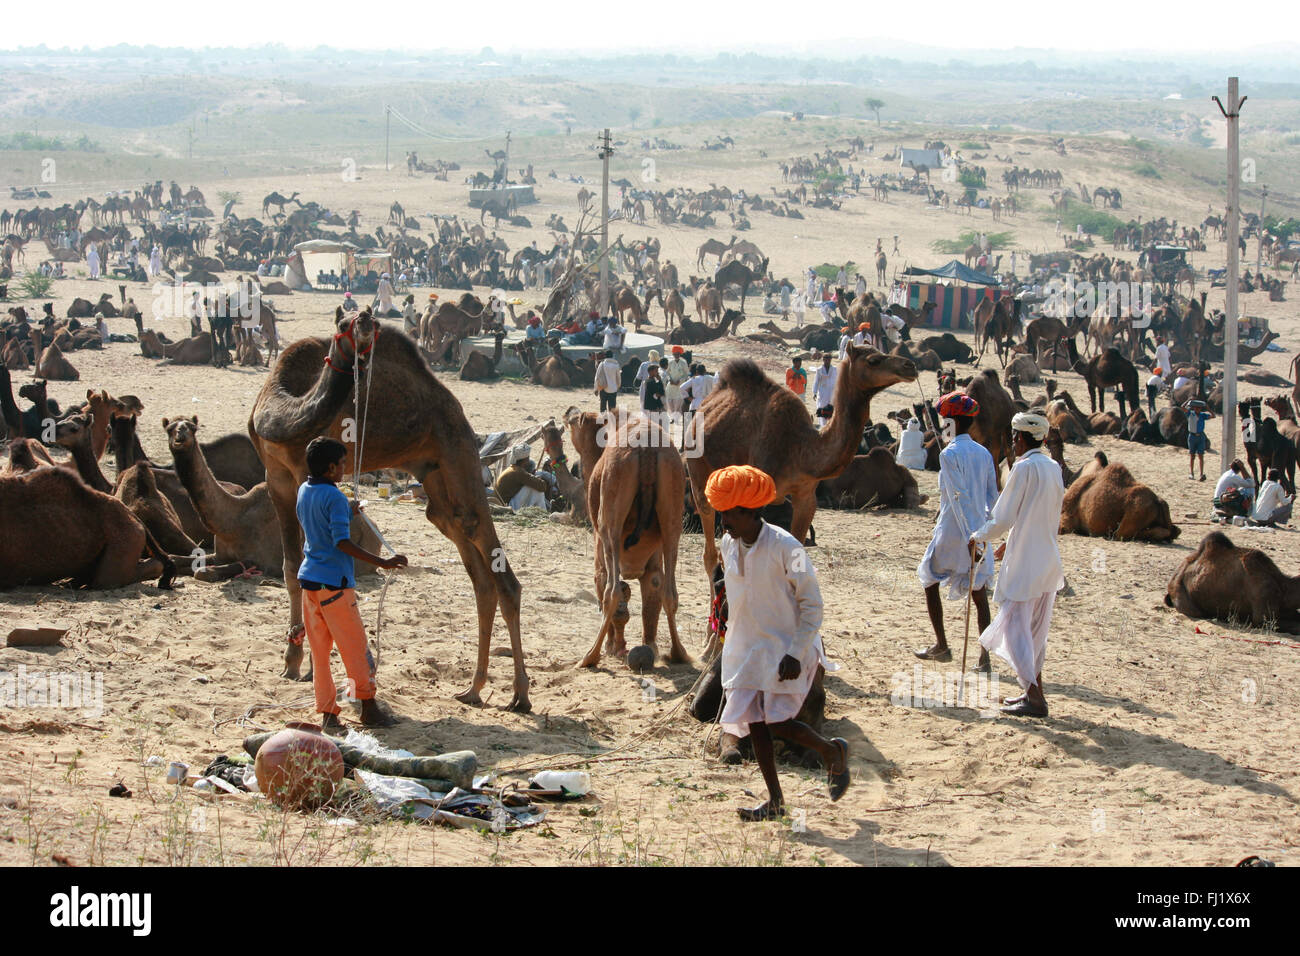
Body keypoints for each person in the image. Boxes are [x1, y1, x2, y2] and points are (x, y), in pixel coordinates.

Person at [704, 465, 850, 821]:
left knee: (778, 723)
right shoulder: (729, 544)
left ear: (749, 511)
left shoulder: (789, 547)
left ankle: (832, 753)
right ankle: (776, 801)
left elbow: (813, 605)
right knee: (755, 725)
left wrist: (795, 652)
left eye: (728, 513)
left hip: (786, 649)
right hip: (746, 649)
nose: (723, 521)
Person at [296, 437, 407, 731]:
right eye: (343, 464)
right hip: (334, 584)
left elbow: (318, 524)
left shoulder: (305, 490)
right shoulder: (333, 497)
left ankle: (329, 713)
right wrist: (382, 562)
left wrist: (348, 510)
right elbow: (341, 542)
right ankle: (369, 709)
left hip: (308, 583)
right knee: (355, 649)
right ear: (332, 468)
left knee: (319, 653)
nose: (345, 468)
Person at [969, 412, 1065, 718]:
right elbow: (1042, 515)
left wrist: (978, 537)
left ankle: (1035, 698)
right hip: (1048, 560)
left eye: (1014, 437)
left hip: (1026, 564)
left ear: (1021, 438)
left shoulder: (1023, 468)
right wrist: (1009, 542)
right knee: (1035, 632)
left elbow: (1004, 517)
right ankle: (1030, 690)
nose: (1013, 443)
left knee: (1014, 630)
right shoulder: (1053, 468)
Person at [915, 394, 998, 667]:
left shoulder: (948, 454)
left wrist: (969, 538)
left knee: (929, 578)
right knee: (979, 592)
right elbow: (991, 498)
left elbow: (959, 497)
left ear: (951, 422)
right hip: (979, 529)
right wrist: (984, 532)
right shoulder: (984, 453)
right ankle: (984, 658)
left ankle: (941, 645)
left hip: (954, 532)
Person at [496, 444, 552, 511]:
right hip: (507, 506)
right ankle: (543, 511)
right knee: (536, 489)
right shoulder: (518, 472)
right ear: (525, 460)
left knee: (534, 485)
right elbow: (542, 486)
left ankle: (542, 510)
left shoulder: (512, 469)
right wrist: (536, 479)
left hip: (505, 503)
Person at [1185, 399, 1213, 480]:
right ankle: (1191, 473)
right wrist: (1188, 401)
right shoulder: (1190, 414)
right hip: (1192, 436)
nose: (1197, 409)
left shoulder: (1202, 415)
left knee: (1201, 456)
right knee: (1192, 456)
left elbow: (1213, 416)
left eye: (1199, 408)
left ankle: (1201, 474)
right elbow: (1182, 408)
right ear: (1194, 408)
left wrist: (1208, 408)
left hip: (1200, 436)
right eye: (1196, 408)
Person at [811, 353, 837, 430]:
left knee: (831, 410)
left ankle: (831, 427)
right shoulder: (819, 370)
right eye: (826, 359)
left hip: (832, 393)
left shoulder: (835, 369)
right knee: (822, 410)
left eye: (829, 359)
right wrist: (814, 392)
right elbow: (816, 381)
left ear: (831, 360)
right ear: (823, 360)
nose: (827, 361)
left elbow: (838, 380)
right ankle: (823, 427)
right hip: (822, 392)